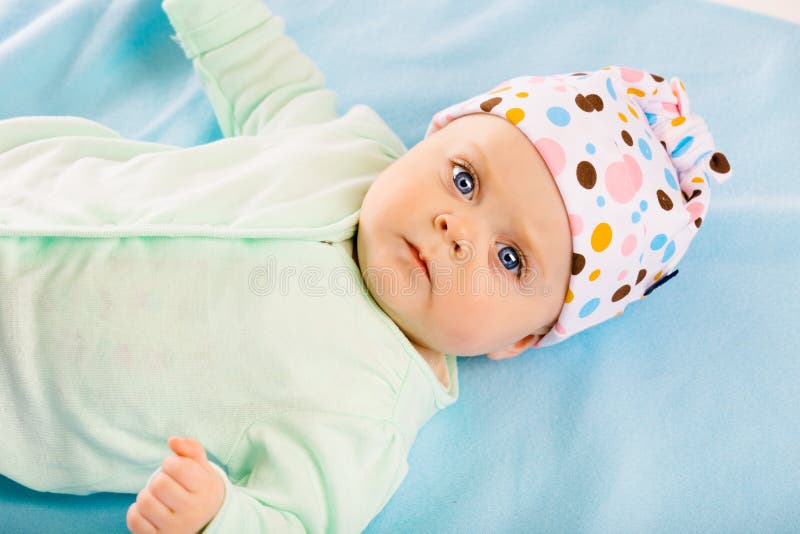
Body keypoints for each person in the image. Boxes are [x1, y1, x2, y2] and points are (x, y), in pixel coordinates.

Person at [0, 0, 731, 532]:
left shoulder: (363, 416)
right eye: (464, 180)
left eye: (510, 259)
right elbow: (258, 71)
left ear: (521, 341)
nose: (456, 229)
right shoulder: (341, 153)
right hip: (28, 177)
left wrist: (216, 516)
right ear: (428, 140)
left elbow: (296, 520)